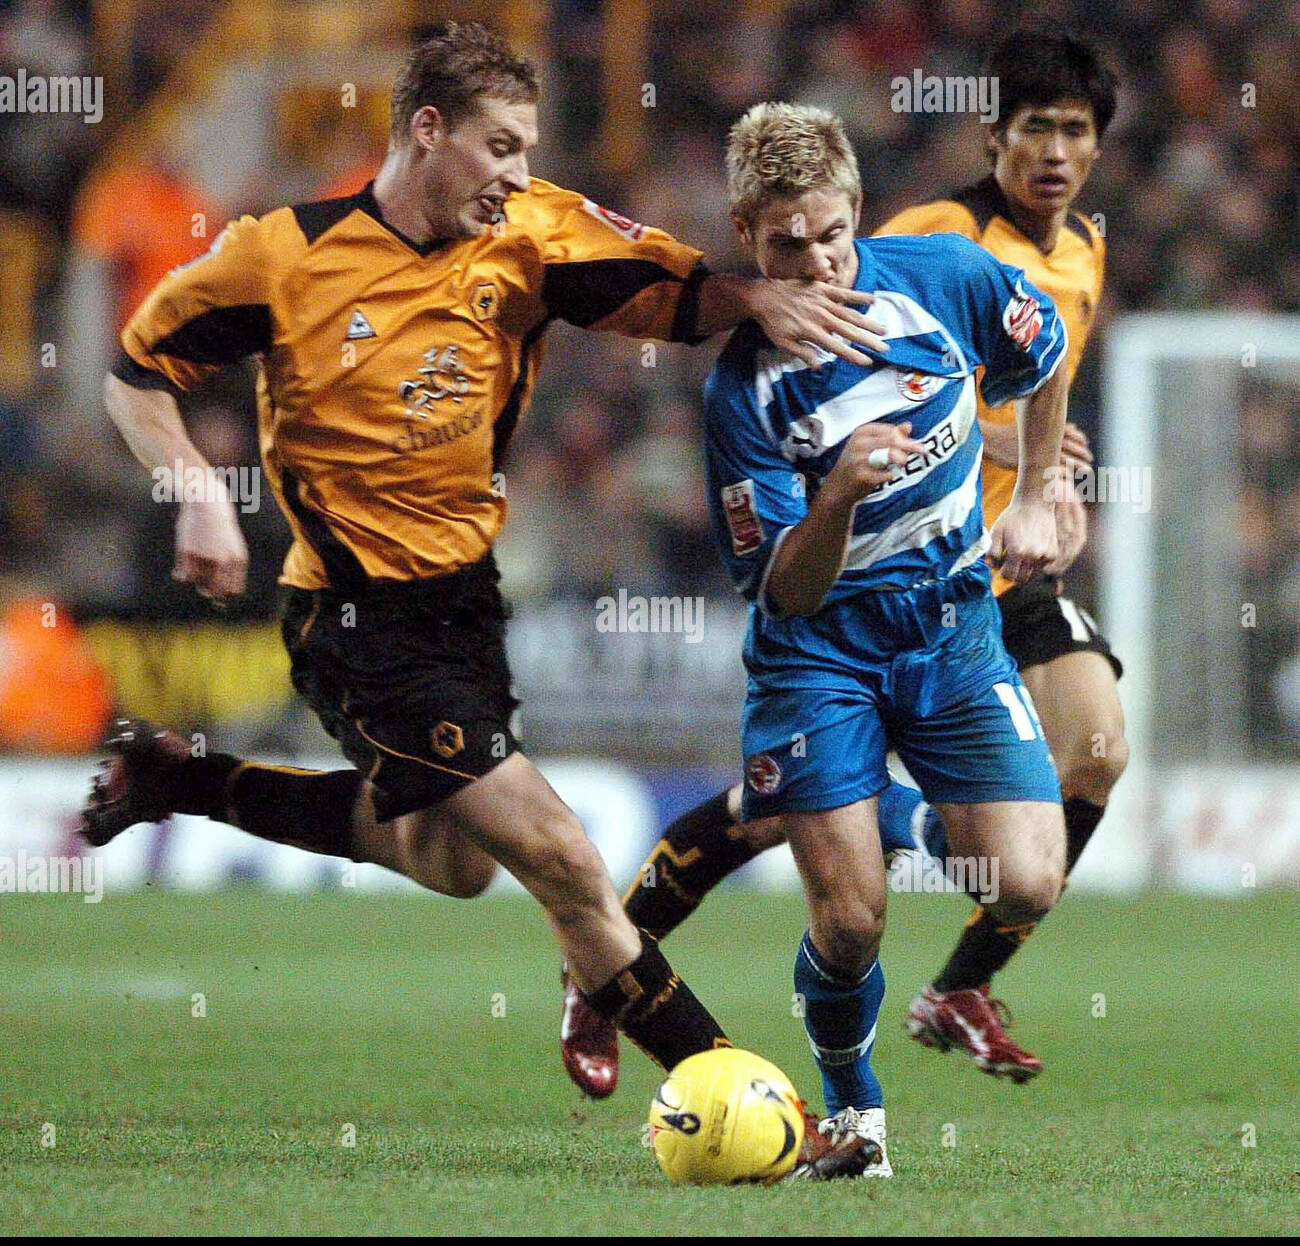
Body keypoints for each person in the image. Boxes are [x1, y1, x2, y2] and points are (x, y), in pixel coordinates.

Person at [81, 22, 890, 1096]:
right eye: (501, 145)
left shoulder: (533, 234)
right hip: (356, 615)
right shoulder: (283, 253)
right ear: (427, 130)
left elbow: (675, 290)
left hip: (465, 603)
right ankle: (730, 1085)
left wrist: (761, 297)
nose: (518, 172)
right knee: (562, 857)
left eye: (526, 148)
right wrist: (197, 494)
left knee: (452, 864)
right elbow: (135, 374)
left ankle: (186, 780)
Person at [562, 29, 1123, 1102]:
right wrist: (840, 493)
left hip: (959, 607)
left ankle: (896, 883)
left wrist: (1045, 485)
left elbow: (1040, 352)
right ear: (744, 237)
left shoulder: (964, 272)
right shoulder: (749, 386)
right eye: (785, 249)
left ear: (855, 210)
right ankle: (833, 1095)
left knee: (1038, 848)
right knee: (831, 890)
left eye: (829, 238)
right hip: (822, 639)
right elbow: (785, 586)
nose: (817, 267)